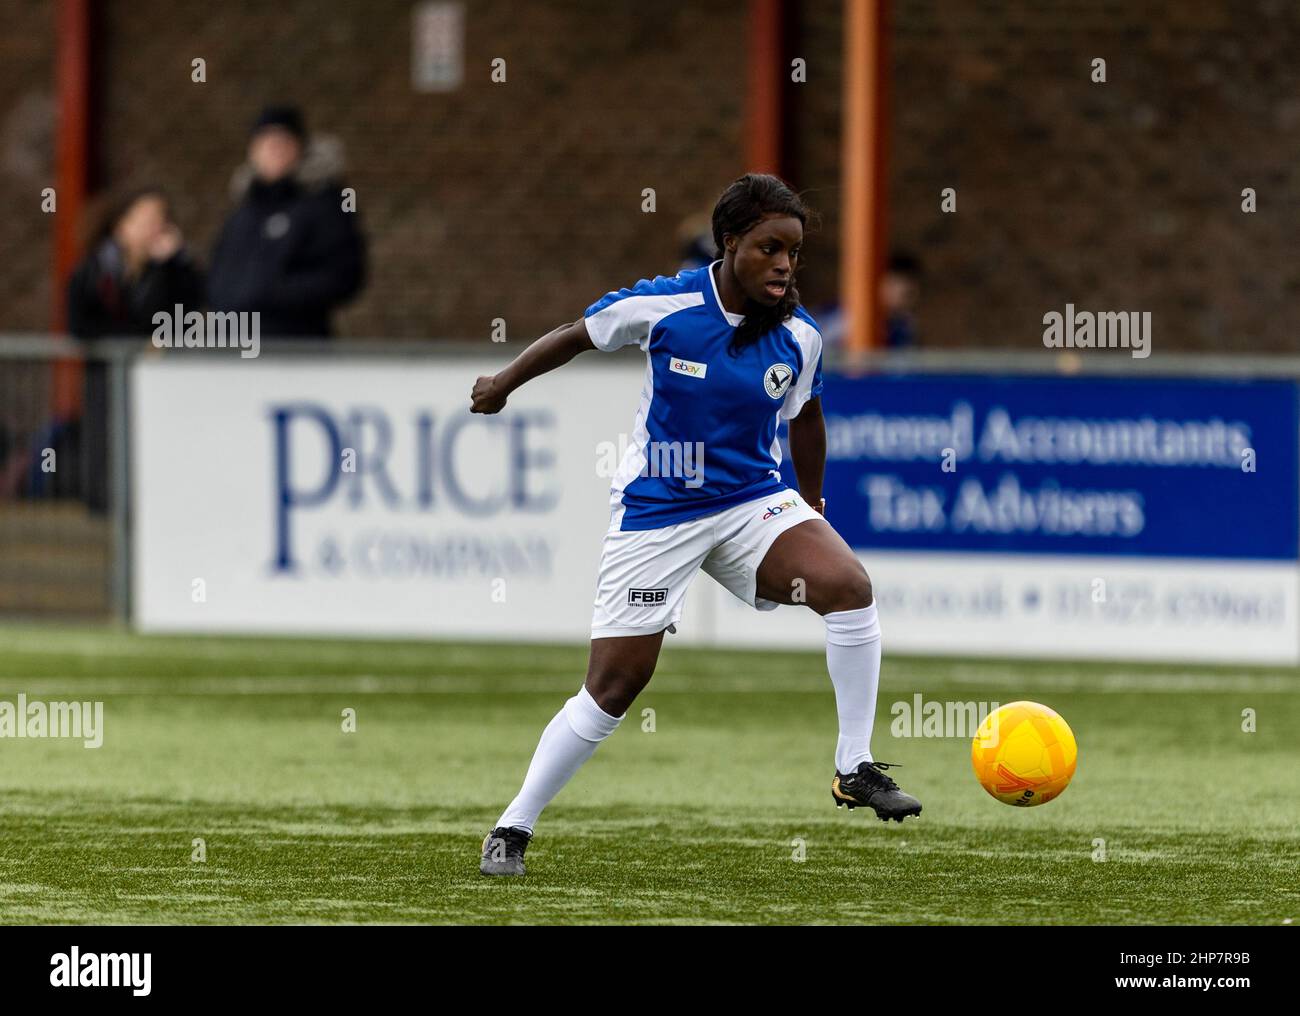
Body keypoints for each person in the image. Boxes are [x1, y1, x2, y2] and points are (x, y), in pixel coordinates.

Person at [469, 173, 922, 877]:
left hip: (750, 501)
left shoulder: (800, 336)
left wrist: (813, 503)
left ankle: (854, 765)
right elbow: (575, 336)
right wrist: (503, 384)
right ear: (731, 241)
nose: (783, 265)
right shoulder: (668, 304)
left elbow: (806, 419)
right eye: (770, 248)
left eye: (794, 253)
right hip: (659, 510)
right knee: (614, 689)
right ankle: (512, 828)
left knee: (849, 585)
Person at [66, 186, 203, 510]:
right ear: (122, 225)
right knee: (107, 441)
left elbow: (188, 313)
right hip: (108, 375)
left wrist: (173, 265)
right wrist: (139, 342)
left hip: (158, 380)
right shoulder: (94, 270)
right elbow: (82, 324)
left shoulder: (172, 270)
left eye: (160, 220)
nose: (154, 227)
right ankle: (104, 508)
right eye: (145, 219)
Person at [207, 105, 365, 337]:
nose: (273, 150)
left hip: (296, 348)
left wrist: (272, 292)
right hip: (236, 348)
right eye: (266, 143)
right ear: (253, 151)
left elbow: (344, 274)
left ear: (299, 148)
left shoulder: (326, 204)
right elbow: (219, 272)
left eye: (282, 142)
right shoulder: (243, 211)